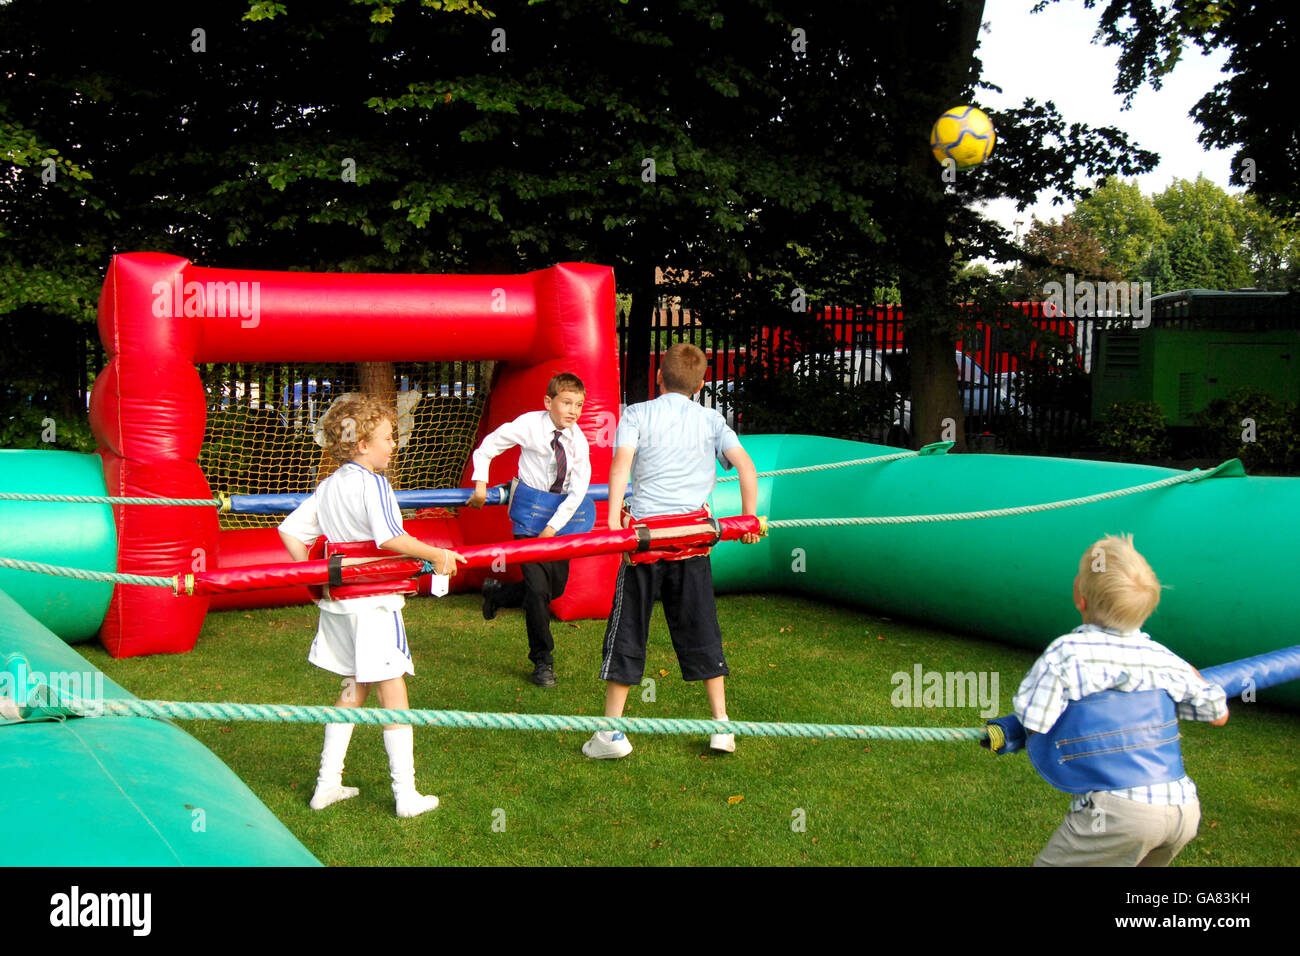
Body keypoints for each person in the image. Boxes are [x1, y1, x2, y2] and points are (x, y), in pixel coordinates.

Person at [278, 395, 466, 818]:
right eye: (387, 437)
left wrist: (327, 572)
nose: (393, 445)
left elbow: (290, 532)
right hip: (375, 604)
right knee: (393, 687)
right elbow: (388, 538)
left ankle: (327, 785)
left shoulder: (330, 484)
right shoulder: (373, 482)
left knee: (352, 687)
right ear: (362, 444)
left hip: (341, 607)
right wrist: (436, 553)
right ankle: (406, 795)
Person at [1000, 533, 1229, 866]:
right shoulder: (1163, 657)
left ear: (1080, 597)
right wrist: (1191, 676)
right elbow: (1218, 713)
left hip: (1119, 814)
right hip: (1182, 809)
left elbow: (1035, 719)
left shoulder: (1068, 653)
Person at [584, 343, 760, 759]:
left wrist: (611, 523)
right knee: (702, 626)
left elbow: (620, 467)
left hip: (645, 539)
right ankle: (722, 727)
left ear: (657, 378)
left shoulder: (637, 413)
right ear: (701, 386)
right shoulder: (712, 418)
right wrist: (749, 519)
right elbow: (748, 469)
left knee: (628, 629)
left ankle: (610, 735)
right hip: (691, 540)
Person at [467, 373, 592, 687]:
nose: (573, 410)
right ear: (548, 402)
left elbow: (578, 491)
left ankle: (500, 593)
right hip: (528, 518)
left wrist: (551, 529)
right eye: (566, 402)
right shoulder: (529, 425)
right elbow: (486, 448)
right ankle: (542, 661)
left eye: (578, 404)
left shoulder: (578, 442)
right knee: (538, 591)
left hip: (559, 522)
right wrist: (481, 483)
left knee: (555, 590)